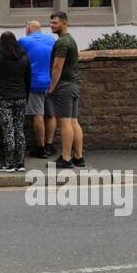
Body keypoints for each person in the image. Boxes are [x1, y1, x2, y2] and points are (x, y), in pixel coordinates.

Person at [0, 31, 31, 173]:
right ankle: (20, 163)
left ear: (1, 42)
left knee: (8, 130)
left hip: (4, 98)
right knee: (19, 129)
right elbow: (28, 79)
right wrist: (26, 96)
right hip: (21, 97)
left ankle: (9, 164)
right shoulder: (24, 58)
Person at [45, 11, 84, 169]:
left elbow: (57, 67)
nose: (51, 25)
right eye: (51, 22)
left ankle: (66, 158)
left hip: (64, 86)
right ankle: (79, 157)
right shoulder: (71, 40)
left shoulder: (62, 43)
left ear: (64, 23)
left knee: (65, 122)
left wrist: (52, 88)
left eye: (55, 23)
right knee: (74, 121)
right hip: (73, 84)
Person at [17, 19, 58, 158]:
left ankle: (40, 149)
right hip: (51, 82)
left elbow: (16, 58)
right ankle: (49, 144)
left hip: (35, 82)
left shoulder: (23, 41)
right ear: (40, 29)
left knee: (38, 114)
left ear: (28, 29)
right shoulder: (51, 39)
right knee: (51, 114)